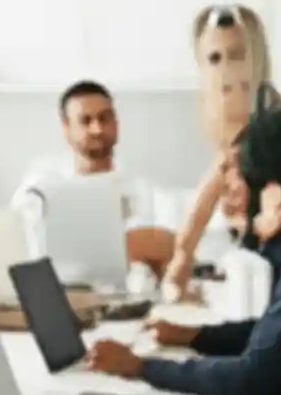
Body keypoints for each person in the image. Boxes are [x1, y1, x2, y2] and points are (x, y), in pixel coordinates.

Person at [85, 104, 281, 395]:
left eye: (237, 175)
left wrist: (139, 366)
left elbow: (252, 375)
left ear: (273, 192)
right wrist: (194, 337)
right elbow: (277, 337)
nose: (227, 188)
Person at [163, 6, 281, 294]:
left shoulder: (273, 128)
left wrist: (182, 256)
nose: (225, 70)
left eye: (237, 55)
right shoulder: (225, 139)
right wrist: (181, 256)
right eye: (214, 58)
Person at [11, 80, 176, 274]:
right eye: (85, 120)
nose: (97, 129)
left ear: (116, 123)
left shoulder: (143, 189)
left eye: (104, 118)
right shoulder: (42, 182)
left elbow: (171, 246)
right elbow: (20, 244)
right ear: (66, 127)